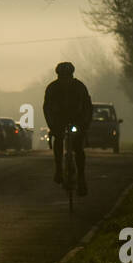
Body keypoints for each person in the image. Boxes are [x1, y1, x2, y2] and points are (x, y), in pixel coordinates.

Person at [43, 61, 93, 196]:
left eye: (68, 76)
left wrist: (85, 124)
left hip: (77, 119)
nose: (65, 80)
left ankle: (81, 178)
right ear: (58, 76)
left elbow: (88, 106)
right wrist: (51, 125)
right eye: (62, 77)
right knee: (58, 139)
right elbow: (47, 108)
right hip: (59, 120)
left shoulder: (79, 87)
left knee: (78, 148)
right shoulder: (52, 88)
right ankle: (59, 169)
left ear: (72, 75)